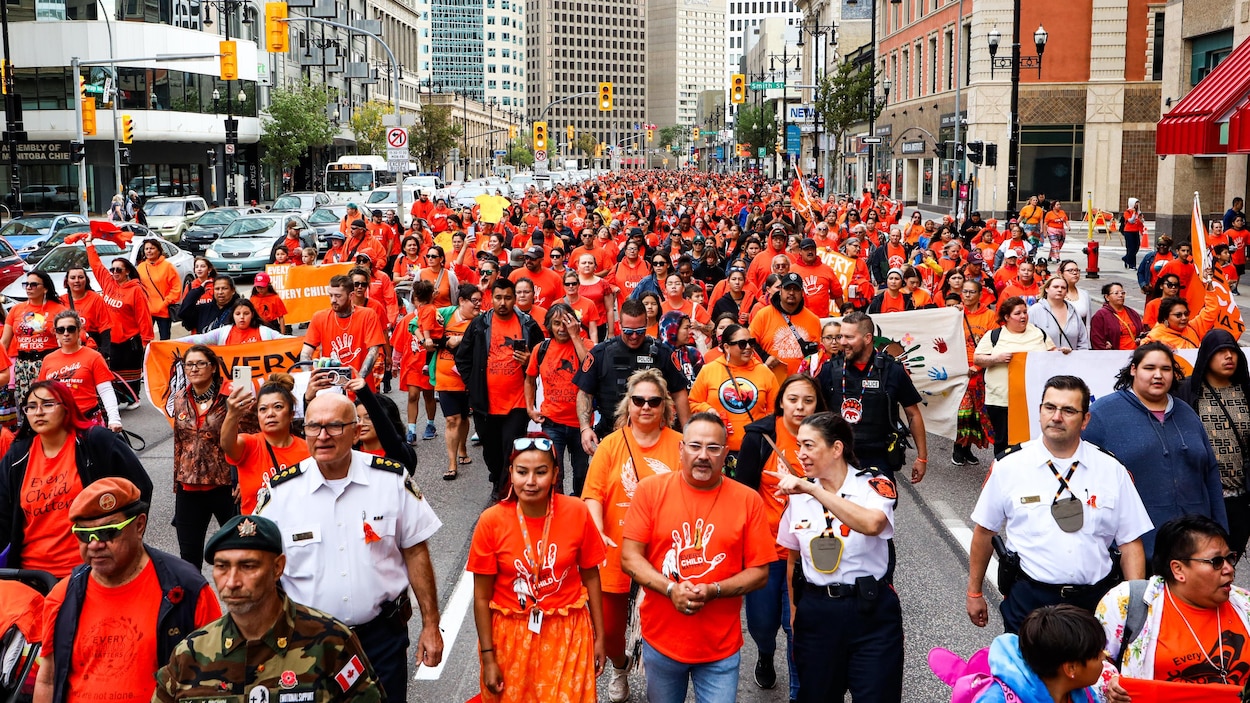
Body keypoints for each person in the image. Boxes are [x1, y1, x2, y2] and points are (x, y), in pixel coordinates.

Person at [255, 393, 444, 701]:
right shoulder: (281, 493)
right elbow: (259, 569)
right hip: (306, 643)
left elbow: (415, 551)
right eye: (314, 426)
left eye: (334, 426)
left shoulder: (390, 480)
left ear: (356, 432)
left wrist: (431, 626)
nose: (323, 435)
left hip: (381, 639)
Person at [967, 375, 1151, 633]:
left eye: (1068, 410)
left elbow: (1130, 542)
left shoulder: (1112, 470)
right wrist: (974, 592)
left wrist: (1134, 606)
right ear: (1040, 411)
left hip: (1095, 603)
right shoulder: (1008, 466)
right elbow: (985, 531)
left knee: (1093, 673)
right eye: (1050, 408)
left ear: (1085, 419)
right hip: (1030, 601)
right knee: (1028, 673)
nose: (1056, 417)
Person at [620, 412, 773, 703]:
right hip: (662, 642)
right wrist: (669, 589)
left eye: (713, 448)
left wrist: (715, 590)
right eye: (695, 446)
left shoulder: (747, 500)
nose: (703, 455)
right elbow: (629, 558)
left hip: (720, 649)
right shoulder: (650, 491)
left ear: (726, 454)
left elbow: (760, 571)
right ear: (681, 449)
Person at [153, 514, 384, 701]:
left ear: (277, 568)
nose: (232, 582)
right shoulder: (190, 654)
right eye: (222, 567)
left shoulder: (330, 643)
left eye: (248, 566)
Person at [34, 478, 220, 703]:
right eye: (83, 534)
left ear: (139, 525)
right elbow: (48, 679)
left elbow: (216, 678)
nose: (94, 544)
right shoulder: (62, 597)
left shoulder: (186, 590)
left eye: (108, 532)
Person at [770, 412, 903, 702]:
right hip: (818, 614)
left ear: (837, 448)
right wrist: (795, 614)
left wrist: (812, 489)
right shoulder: (799, 497)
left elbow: (872, 524)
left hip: (871, 613)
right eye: (798, 446)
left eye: (809, 445)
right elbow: (793, 560)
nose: (801, 454)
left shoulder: (873, 484)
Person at [469, 434, 607, 703]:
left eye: (540, 472)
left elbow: (591, 576)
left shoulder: (577, 512)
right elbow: (482, 597)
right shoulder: (491, 521)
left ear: (555, 474)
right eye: (522, 472)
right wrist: (488, 657)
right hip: (511, 637)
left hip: (568, 634)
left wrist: (600, 637)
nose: (530, 481)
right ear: (511, 473)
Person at [580, 368, 683, 702]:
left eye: (654, 401)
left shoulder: (680, 445)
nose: (646, 407)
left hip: (662, 559)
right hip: (613, 555)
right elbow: (593, 494)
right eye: (638, 400)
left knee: (657, 632)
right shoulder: (611, 445)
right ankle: (620, 666)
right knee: (609, 632)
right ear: (629, 404)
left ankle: (660, 686)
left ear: (665, 406)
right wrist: (596, 528)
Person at [1083, 342, 1226, 562]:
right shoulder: (1102, 415)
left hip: (1196, 551)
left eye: (1166, 369)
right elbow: (1080, 478)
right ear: (1133, 369)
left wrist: (1220, 530)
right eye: (1149, 368)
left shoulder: (1187, 413)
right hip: (1135, 554)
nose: (1158, 375)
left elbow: (1210, 474)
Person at [735, 374, 827, 699]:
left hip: (811, 553)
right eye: (793, 399)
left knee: (796, 627)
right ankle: (763, 652)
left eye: (808, 400)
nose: (800, 407)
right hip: (765, 550)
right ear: (781, 402)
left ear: (818, 404)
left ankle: (797, 694)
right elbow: (743, 495)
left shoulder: (829, 439)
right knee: (762, 623)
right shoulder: (760, 437)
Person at [0, 381, 151, 577]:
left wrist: (122, 541)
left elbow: (140, 488)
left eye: (47, 404)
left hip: (90, 570)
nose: (38, 412)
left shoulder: (95, 442)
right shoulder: (17, 455)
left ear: (66, 407)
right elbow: (3, 515)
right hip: (32, 575)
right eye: (30, 407)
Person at [1097, 516, 1250, 692]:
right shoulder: (1126, 602)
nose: (1229, 569)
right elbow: (1091, 664)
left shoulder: (1244, 605)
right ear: (1178, 569)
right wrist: (1111, 684)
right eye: (1216, 562)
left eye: (1230, 558)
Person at [455, 278, 546, 497]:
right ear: (491, 299)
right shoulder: (479, 325)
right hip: (485, 403)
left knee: (511, 448)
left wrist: (529, 361)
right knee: (491, 450)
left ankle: (506, 488)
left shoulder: (528, 324)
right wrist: (473, 384)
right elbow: (462, 357)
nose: (503, 302)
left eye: (507, 297)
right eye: (498, 298)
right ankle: (497, 476)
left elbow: (544, 357)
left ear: (515, 299)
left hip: (517, 401)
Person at [817, 311, 929, 484]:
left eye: (849, 337)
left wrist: (922, 458)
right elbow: (814, 412)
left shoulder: (892, 370)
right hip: (837, 458)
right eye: (841, 337)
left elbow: (913, 414)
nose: (842, 342)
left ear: (868, 338)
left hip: (878, 459)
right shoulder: (829, 370)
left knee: (881, 508)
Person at [172, 345, 256, 566]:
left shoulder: (233, 397)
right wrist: (177, 483)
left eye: (201, 363)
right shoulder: (180, 398)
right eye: (189, 364)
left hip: (225, 486)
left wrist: (246, 479)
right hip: (188, 487)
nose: (194, 369)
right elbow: (179, 443)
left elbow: (252, 438)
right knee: (188, 560)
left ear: (213, 367)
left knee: (240, 551)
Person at [575, 298, 691, 449]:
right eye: (628, 331)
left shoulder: (662, 352)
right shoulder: (601, 353)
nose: (634, 336)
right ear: (620, 325)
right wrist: (585, 428)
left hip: (654, 435)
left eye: (640, 331)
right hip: (611, 434)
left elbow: (679, 393)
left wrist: (688, 434)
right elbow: (585, 393)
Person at [1174, 330, 1250, 555]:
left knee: (1229, 557)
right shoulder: (1185, 391)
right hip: (1201, 496)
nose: (1229, 356)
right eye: (1221, 352)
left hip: (1240, 498)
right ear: (1207, 355)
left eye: (1233, 351)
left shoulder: (1245, 390)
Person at [975, 297, 1057, 455]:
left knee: (1031, 440)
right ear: (1006, 317)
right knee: (1004, 441)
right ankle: (1002, 473)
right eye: (1017, 313)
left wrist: (1062, 353)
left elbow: (1053, 356)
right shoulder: (995, 335)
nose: (1023, 316)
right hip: (1001, 400)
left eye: (1025, 312)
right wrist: (996, 359)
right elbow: (978, 359)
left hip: (1032, 400)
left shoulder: (1038, 333)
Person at [977, 605, 1107, 703]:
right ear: (1071, 668)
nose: (1104, 656)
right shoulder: (996, 699)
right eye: (1096, 654)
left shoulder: (1083, 693)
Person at [525, 303, 591, 494]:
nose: (561, 328)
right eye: (556, 324)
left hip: (581, 424)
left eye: (566, 323)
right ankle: (558, 508)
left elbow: (589, 368)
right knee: (555, 472)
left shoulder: (585, 344)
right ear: (549, 326)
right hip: (552, 422)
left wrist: (575, 336)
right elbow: (530, 379)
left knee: (581, 473)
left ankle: (580, 505)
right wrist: (530, 408)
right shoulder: (541, 349)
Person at [688, 324, 779, 464]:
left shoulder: (765, 372)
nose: (748, 347)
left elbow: (776, 412)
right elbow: (693, 402)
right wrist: (708, 410)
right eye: (742, 344)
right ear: (726, 347)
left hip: (755, 450)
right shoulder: (709, 370)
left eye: (751, 342)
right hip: (717, 449)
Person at [220, 374, 308, 515]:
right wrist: (232, 414)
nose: (270, 414)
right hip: (257, 532)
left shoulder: (308, 451)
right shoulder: (249, 444)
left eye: (278, 407)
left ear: (291, 414)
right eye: (263, 409)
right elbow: (227, 444)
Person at [36, 310, 122, 432]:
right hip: (59, 422)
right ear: (55, 333)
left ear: (79, 330)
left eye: (70, 329)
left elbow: (106, 390)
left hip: (88, 420)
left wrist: (114, 419)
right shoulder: (48, 360)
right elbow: (42, 394)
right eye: (61, 330)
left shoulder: (94, 357)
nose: (66, 333)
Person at [300, 275, 387, 381]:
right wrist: (309, 377)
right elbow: (305, 353)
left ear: (351, 295)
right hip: (332, 387)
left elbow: (373, 351)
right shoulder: (319, 317)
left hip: (361, 387)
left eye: (338, 296)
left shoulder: (368, 315)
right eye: (330, 295)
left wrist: (360, 378)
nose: (333, 300)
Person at [3, 270, 68, 404]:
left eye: (33, 284)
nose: (28, 288)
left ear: (45, 289)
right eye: (26, 284)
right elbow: (4, 342)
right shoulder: (16, 310)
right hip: (22, 366)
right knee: (27, 404)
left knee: (50, 402)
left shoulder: (59, 310)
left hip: (48, 363)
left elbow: (69, 338)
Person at [750, 272, 823, 384]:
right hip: (769, 382)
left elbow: (817, 355)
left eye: (796, 289)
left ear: (802, 293)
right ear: (780, 291)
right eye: (788, 288)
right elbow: (749, 342)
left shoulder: (813, 320)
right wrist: (765, 358)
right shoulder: (763, 315)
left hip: (801, 384)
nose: (791, 293)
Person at [956, 280, 999, 465]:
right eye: (964, 291)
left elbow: (994, 344)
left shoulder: (990, 316)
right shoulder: (955, 314)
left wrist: (979, 366)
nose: (967, 295)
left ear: (980, 295)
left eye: (972, 292)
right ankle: (957, 448)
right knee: (962, 412)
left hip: (981, 372)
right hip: (960, 371)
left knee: (977, 414)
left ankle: (967, 449)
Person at [181, 299, 288, 346]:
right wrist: (169, 343)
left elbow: (286, 341)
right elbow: (199, 339)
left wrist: (305, 340)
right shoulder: (222, 333)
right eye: (238, 314)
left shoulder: (265, 332)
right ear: (232, 315)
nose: (242, 317)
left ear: (252, 314)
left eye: (246, 313)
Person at [136, 238, 183, 341]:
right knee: (144, 339)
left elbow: (176, 288)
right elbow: (137, 287)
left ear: (158, 250)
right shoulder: (141, 267)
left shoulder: (167, 267)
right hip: (147, 311)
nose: (149, 251)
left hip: (164, 310)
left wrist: (166, 302)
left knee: (164, 340)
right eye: (146, 249)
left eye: (152, 248)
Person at [1028, 276, 1090, 352]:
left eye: (1063, 288)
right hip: (1044, 361)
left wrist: (1080, 357)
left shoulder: (1073, 311)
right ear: (1047, 289)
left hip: (1071, 361)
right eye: (1055, 287)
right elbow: (1027, 339)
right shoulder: (1034, 310)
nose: (1059, 290)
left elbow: (1083, 341)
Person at [1089, 282, 1146, 350]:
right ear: (1107, 297)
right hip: (1115, 355)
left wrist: (1140, 339)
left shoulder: (1132, 313)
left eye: (1122, 293)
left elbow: (1142, 332)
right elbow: (1097, 340)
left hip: (1135, 353)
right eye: (1116, 293)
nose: (1120, 295)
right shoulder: (1101, 316)